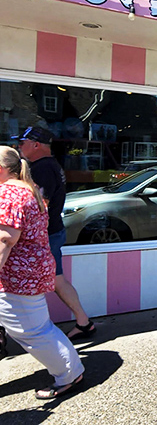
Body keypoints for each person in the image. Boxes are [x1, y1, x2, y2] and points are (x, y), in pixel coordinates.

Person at [0, 145, 85, 399]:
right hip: (31, 270)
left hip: (19, 276)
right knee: (35, 327)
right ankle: (70, 371)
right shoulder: (28, 189)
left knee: (32, 331)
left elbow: (5, 239)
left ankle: (69, 374)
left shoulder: (9, 194)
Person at [16, 127, 96, 341]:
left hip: (43, 236)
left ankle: (40, 337)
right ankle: (83, 322)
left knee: (28, 284)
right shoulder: (48, 166)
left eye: (22, 143)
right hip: (52, 232)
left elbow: (39, 206)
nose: (18, 147)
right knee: (56, 279)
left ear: (36, 144)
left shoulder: (41, 169)